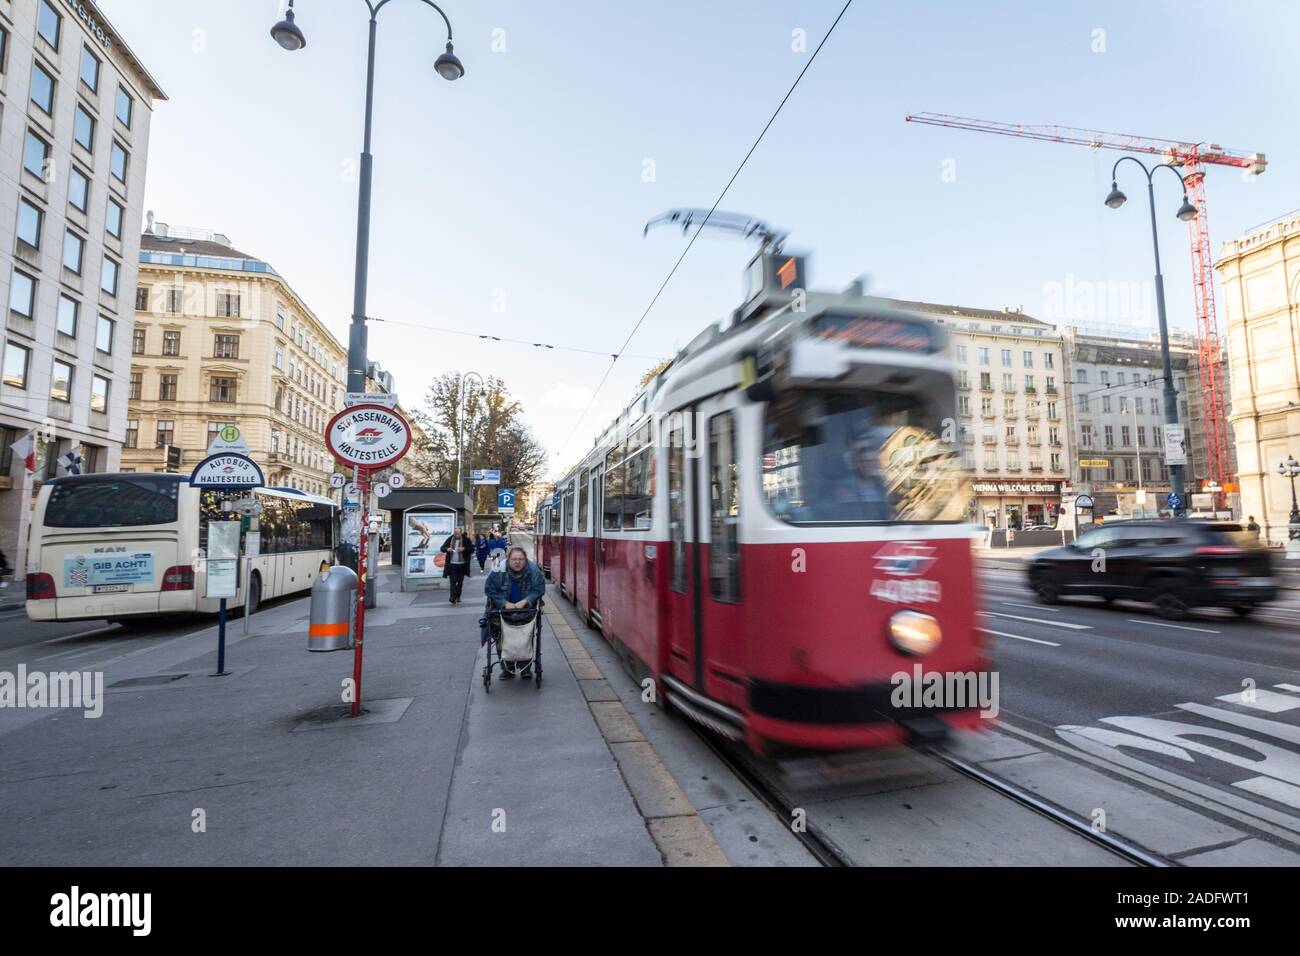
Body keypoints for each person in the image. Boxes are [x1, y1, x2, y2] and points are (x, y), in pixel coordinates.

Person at [485, 546, 546, 679]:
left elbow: (539, 589)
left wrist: (526, 601)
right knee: (503, 639)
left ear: (525, 560)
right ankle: (507, 668)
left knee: (525, 639)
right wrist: (504, 603)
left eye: (520, 559)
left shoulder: (533, 570)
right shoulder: (499, 569)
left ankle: (525, 668)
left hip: (526, 611)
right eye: (514, 559)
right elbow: (489, 589)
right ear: (508, 560)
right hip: (502, 612)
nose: (517, 562)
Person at [439, 525, 474, 605]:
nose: (456, 534)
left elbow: (472, 549)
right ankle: (452, 597)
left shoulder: (466, 540)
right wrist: (447, 549)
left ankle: (458, 596)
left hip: (462, 565)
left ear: (461, 533)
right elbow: (442, 548)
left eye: (458, 533)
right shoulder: (450, 539)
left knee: (460, 582)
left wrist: (464, 549)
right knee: (453, 581)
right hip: (452, 564)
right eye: (455, 533)